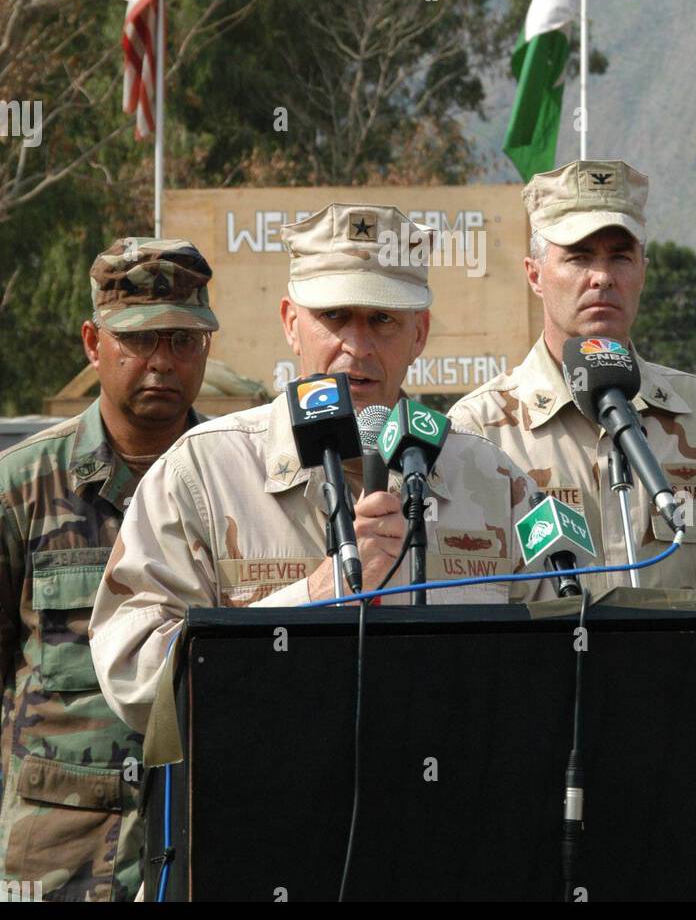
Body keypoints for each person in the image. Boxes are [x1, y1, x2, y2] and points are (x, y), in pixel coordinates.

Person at [90, 204, 545, 738]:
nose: (357, 346)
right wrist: (311, 601)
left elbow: (578, 645)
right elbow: (133, 676)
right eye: (334, 317)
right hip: (266, 805)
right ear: (290, 322)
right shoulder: (203, 474)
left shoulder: (494, 481)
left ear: (419, 334)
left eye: (383, 320)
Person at [449, 160, 696, 599]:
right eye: (578, 256)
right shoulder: (482, 430)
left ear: (642, 271)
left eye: (620, 257)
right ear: (535, 274)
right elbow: (466, 599)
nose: (602, 277)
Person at [0, 237, 217, 901]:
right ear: (95, 344)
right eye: (140, 341)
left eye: (183, 341)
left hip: (202, 842)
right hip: (58, 856)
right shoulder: (25, 485)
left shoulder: (233, 479)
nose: (162, 363)